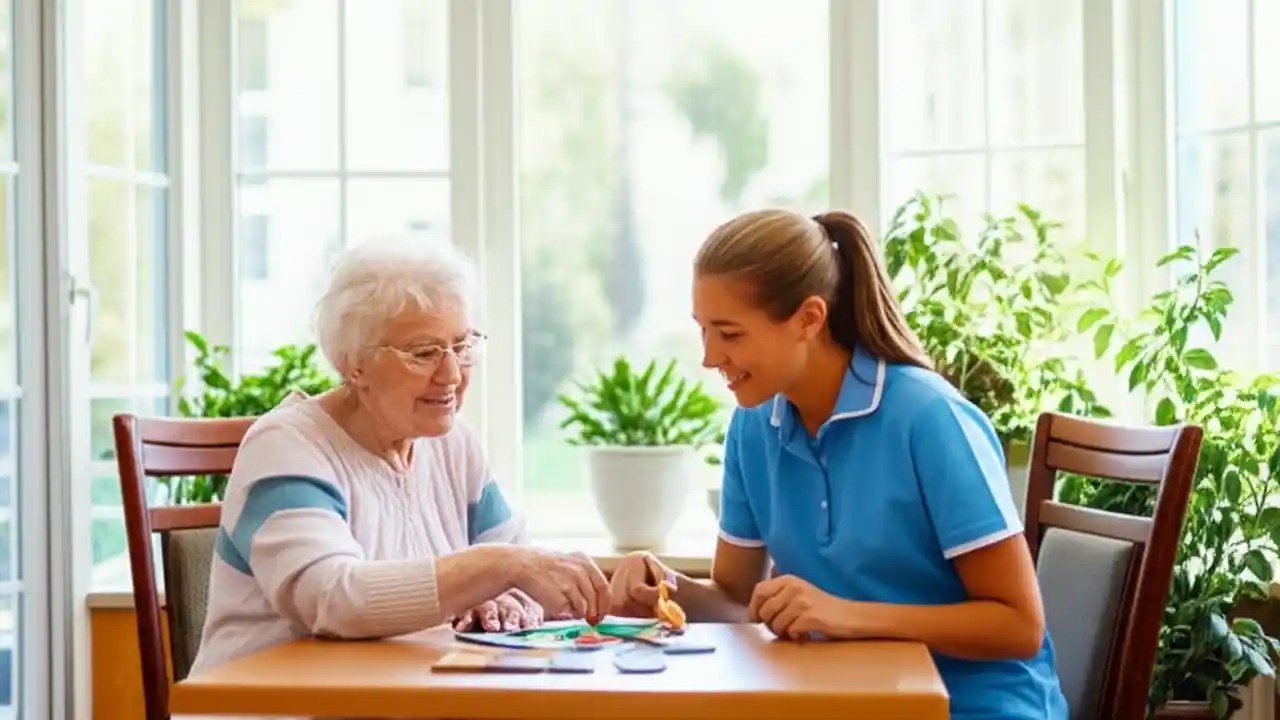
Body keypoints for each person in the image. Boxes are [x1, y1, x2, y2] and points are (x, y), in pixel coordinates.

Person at [610, 210, 1068, 719]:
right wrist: (663, 587)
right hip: (846, 700)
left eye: (730, 334)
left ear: (809, 318)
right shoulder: (753, 425)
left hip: (975, 708)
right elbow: (738, 599)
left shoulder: (929, 420)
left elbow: (1018, 627)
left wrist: (846, 615)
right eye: (703, 331)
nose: (709, 357)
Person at [190, 238, 611, 680]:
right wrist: (498, 568)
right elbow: (332, 599)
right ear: (355, 365)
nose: (451, 375)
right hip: (272, 707)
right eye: (424, 353)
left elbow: (523, 575)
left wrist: (520, 596)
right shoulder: (288, 447)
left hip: (398, 699)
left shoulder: (453, 445)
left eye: (462, 347)